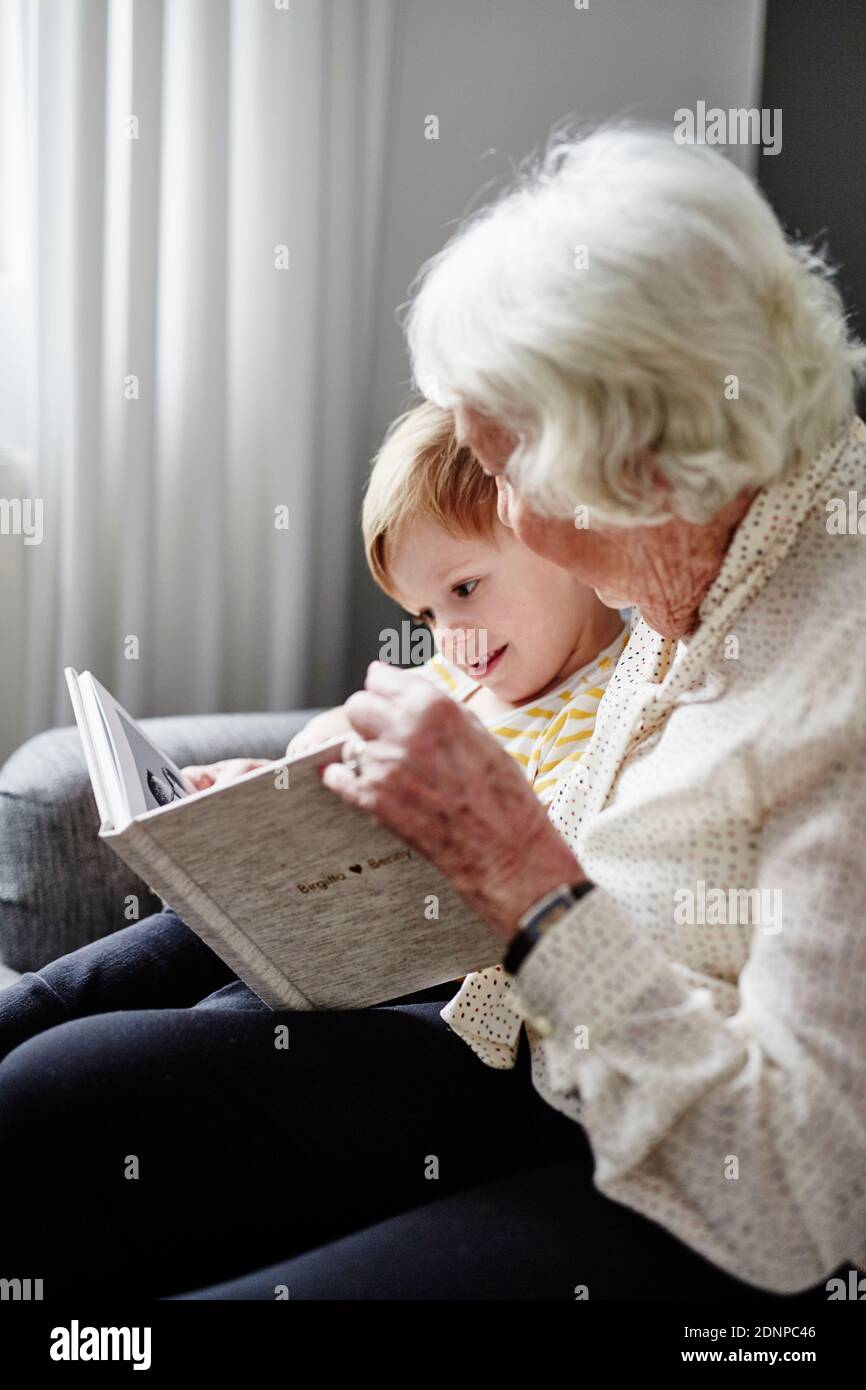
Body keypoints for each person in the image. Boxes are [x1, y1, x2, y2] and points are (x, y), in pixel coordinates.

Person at [1, 121, 864, 1300]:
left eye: (505, 470)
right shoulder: (697, 553)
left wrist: (515, 867)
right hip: (515, 1040)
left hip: (693, 1184)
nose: (497, 505)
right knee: (50, 1104)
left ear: (638, 473)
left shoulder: (838, 676)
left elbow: (791, 1202)